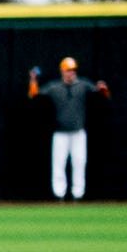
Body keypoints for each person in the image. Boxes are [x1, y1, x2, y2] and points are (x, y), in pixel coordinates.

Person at [35, 54, 109, 199]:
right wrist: (33, 80)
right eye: (68, 70)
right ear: (62, 71)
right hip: (60, 133)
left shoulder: (82, 84)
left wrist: (103, 89)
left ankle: (78, 194)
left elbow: (101, 94)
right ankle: (59, 194)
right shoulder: (54, 86)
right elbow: (34, 94)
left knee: (79, 162)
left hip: (78, 132)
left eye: (73, 70)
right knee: (58, 164)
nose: (71, 73)